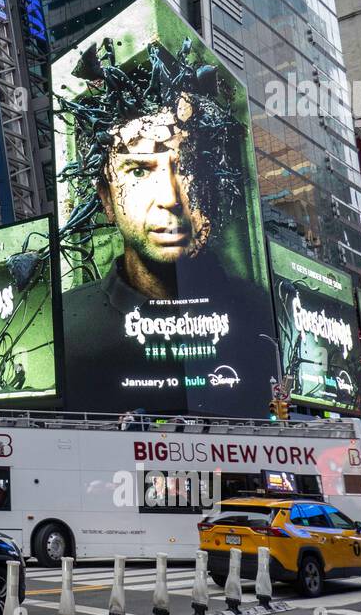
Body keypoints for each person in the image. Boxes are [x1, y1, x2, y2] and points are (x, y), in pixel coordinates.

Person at [58, 36, 269, 417]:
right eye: (139, 170)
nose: (170, 197)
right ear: (106, 199)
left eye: (188, 167)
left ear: (217, 187)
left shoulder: (265, 318)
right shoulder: (67, 331)